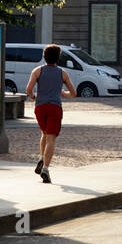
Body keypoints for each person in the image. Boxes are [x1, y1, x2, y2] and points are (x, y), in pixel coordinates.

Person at [25, 44, 76, 184]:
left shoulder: (37, 71)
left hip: (40, 107)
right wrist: (63, 93)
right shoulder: (62, 73)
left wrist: (33, 96)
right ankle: (46, 168)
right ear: (58, 57)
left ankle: (42, 158)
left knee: (44, 133)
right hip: (55, 107)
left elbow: (28, 89)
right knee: (51, 138)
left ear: (44, 56)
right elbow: (73, 93)